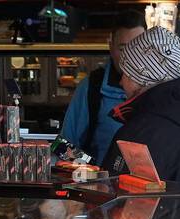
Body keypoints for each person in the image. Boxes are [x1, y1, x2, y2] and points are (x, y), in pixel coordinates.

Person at [102, 27, 180, 188]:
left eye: (126, 73)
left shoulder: (141, 131)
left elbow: (113, 193)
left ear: (143, 77)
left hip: (162, 214)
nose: (121, 82)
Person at [60, 11, 145, 164]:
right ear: (111, 47)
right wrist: (94, 168)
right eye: (123, 48)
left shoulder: (159, 89)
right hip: (100, 186)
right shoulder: (92, 87)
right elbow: (62, 147)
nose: (132, 57)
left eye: (138, 48)